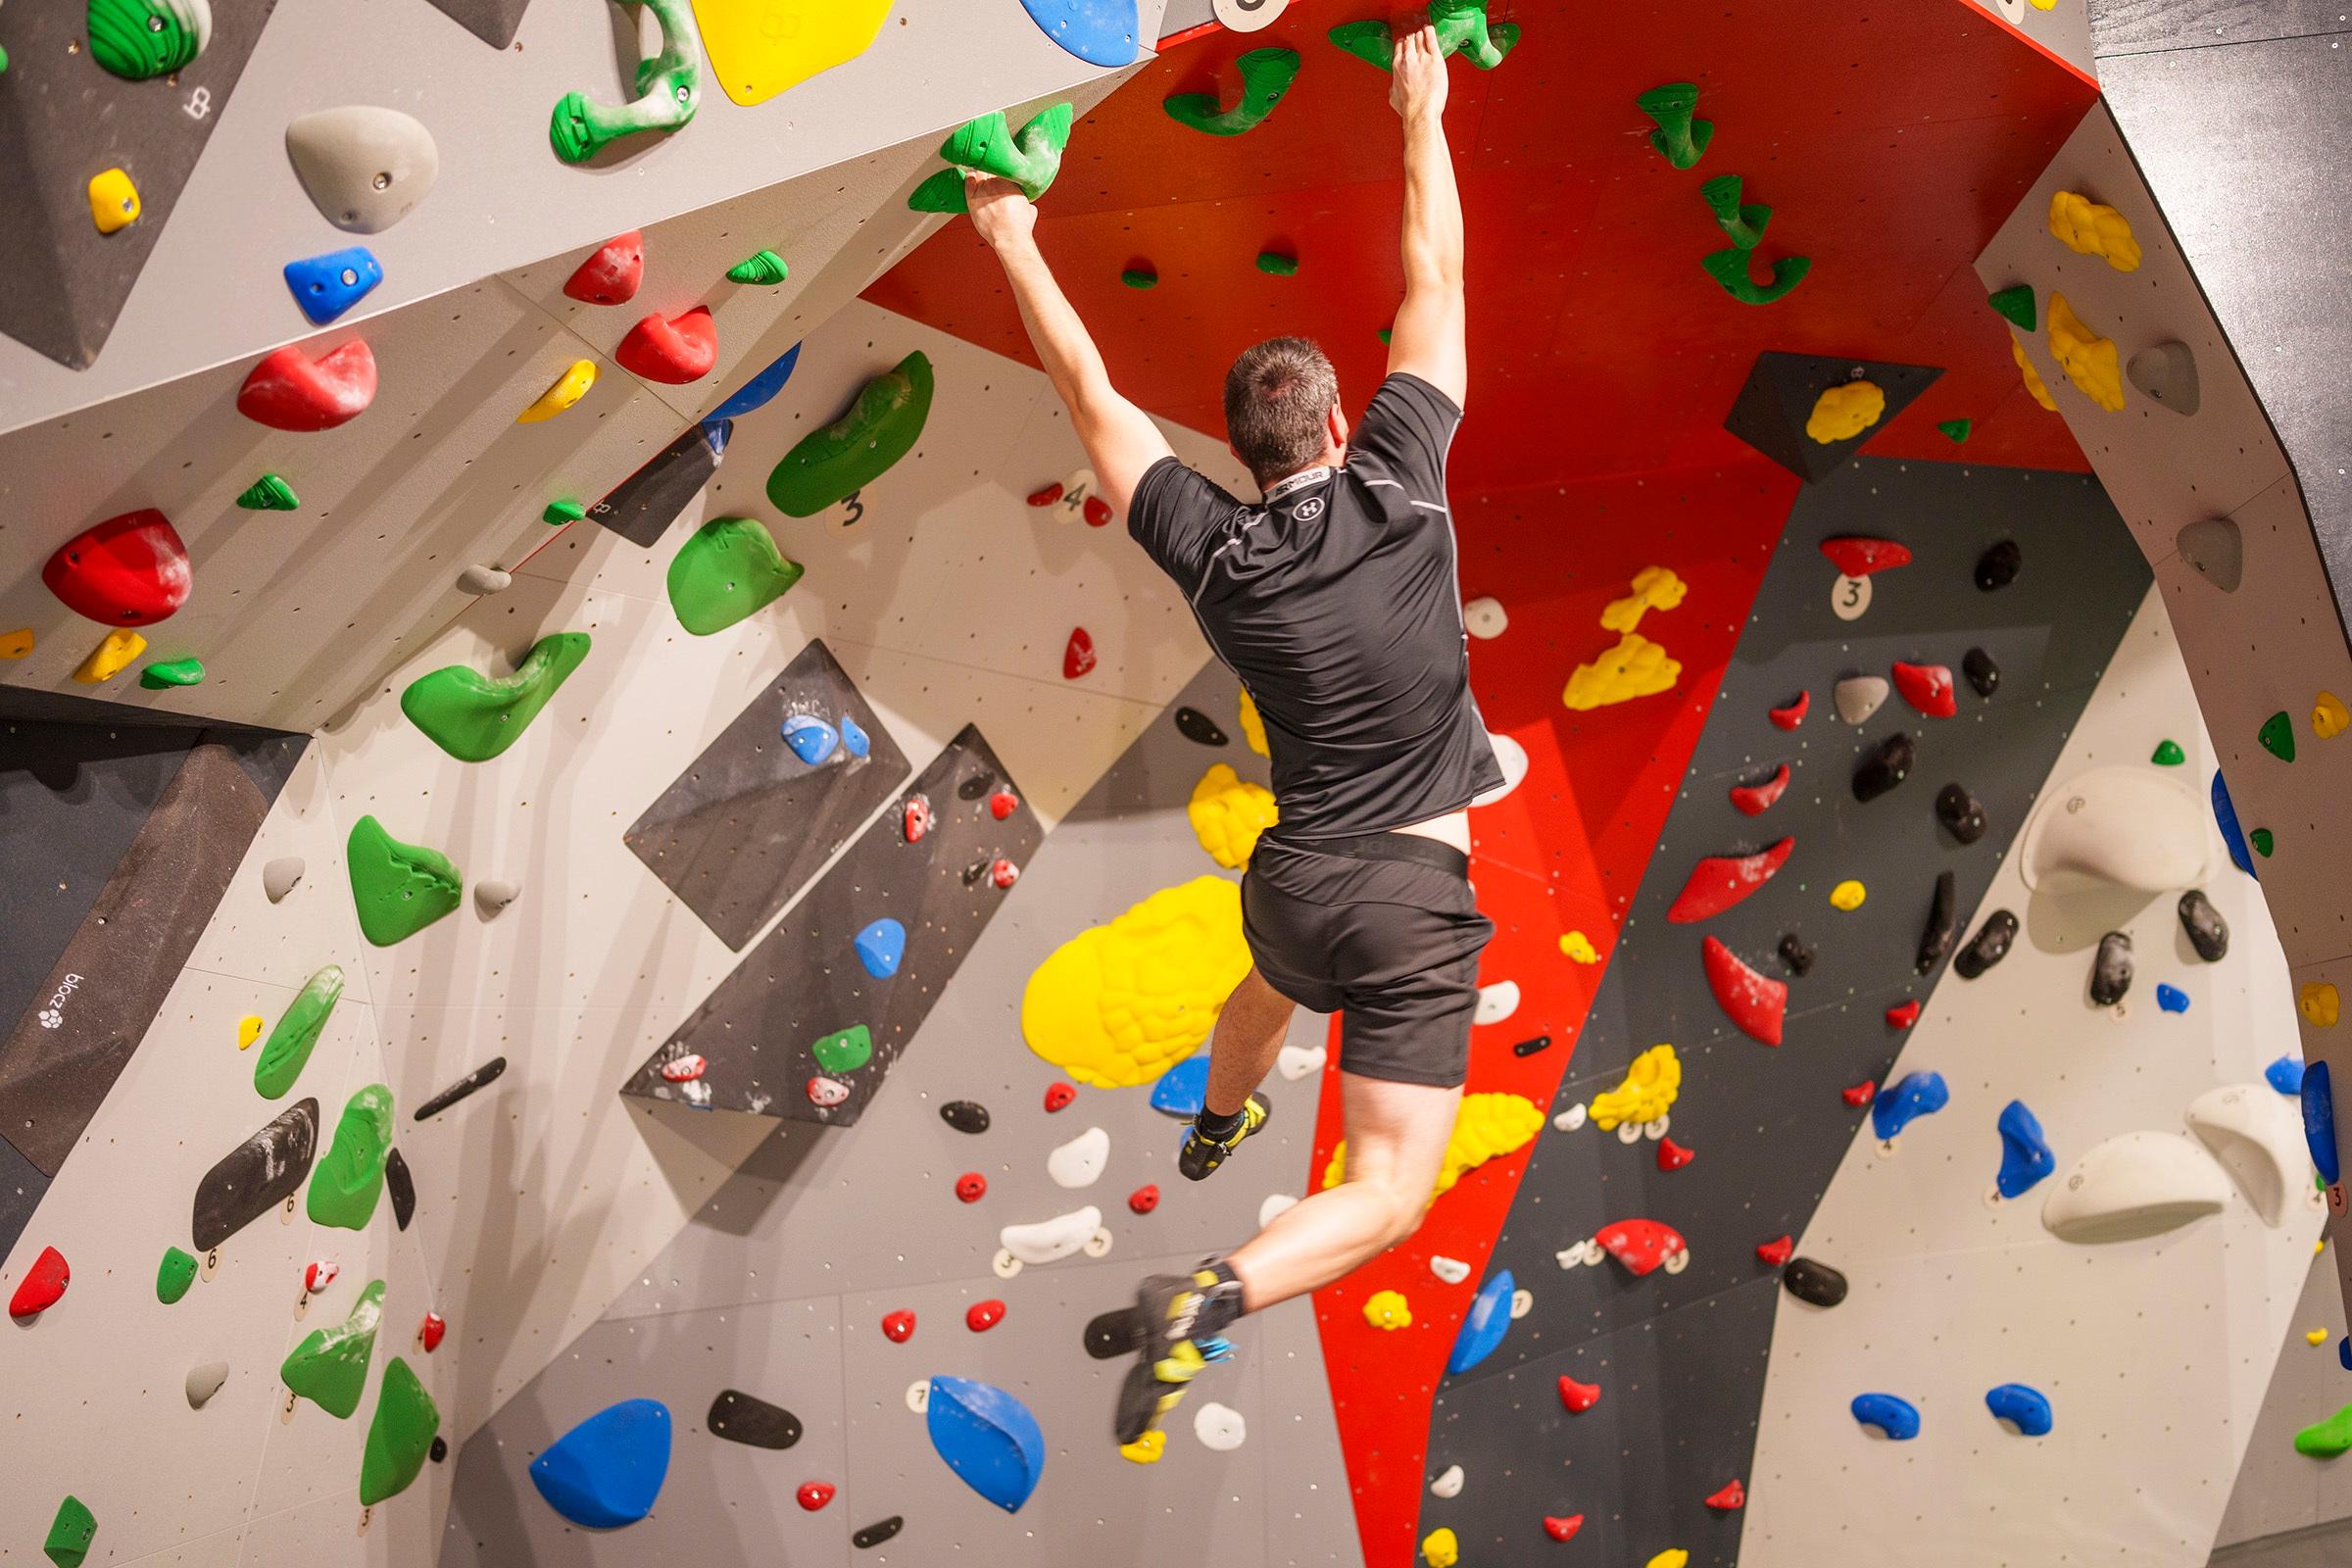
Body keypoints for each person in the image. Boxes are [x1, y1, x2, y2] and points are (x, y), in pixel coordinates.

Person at [966, 14, 1498, 1447]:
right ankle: (1211, 1293)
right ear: (1338, 422)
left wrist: (1011, 235)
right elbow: (1431, 272)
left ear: (1245, 452)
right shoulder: (1401, 477)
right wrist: (1416, 109)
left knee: (1267, 991)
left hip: (1300, 881)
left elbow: (1091, 394)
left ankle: (1217, 1118)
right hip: (1402, 894)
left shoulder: (1210, 547)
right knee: (1389, 1195)